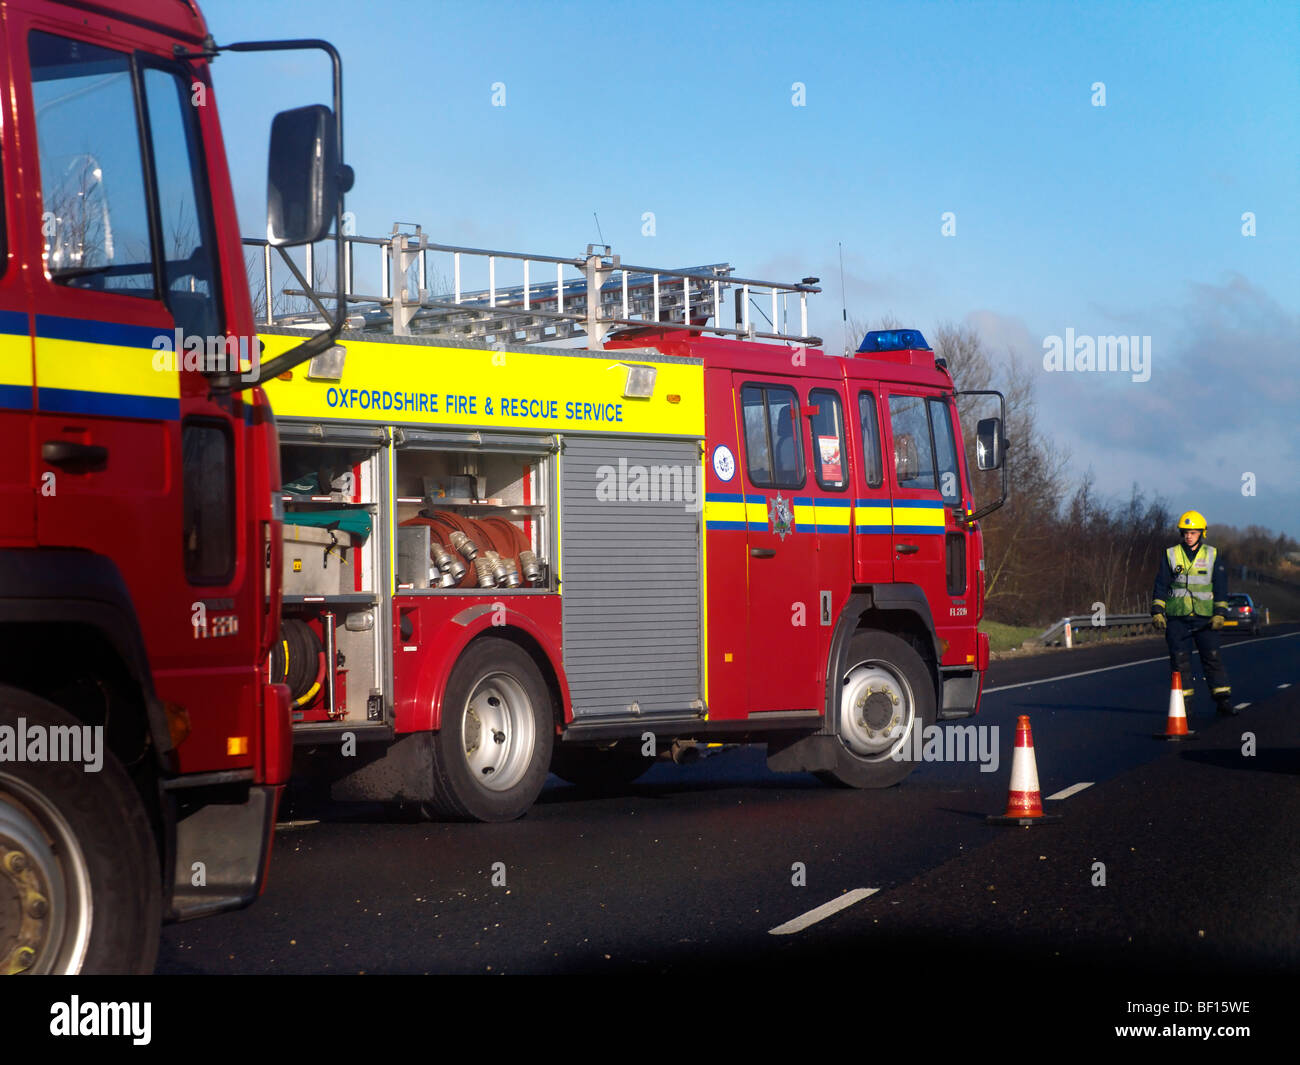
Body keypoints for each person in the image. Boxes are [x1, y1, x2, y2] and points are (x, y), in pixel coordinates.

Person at [1151, 510, 1235, 715]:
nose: (1189, 536)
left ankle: (1222, 701)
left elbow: (1221, 587)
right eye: (1186, 532)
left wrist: (1220, 614)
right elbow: (1161, 584)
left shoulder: (1212, 554)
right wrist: (1157, 611)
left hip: (1205, 618)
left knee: (1212, 657)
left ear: (1201, 533)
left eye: (1194, 532)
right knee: (1179, 662)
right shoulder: (1171, 554)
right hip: (1178, 618)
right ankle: (1184, 706)